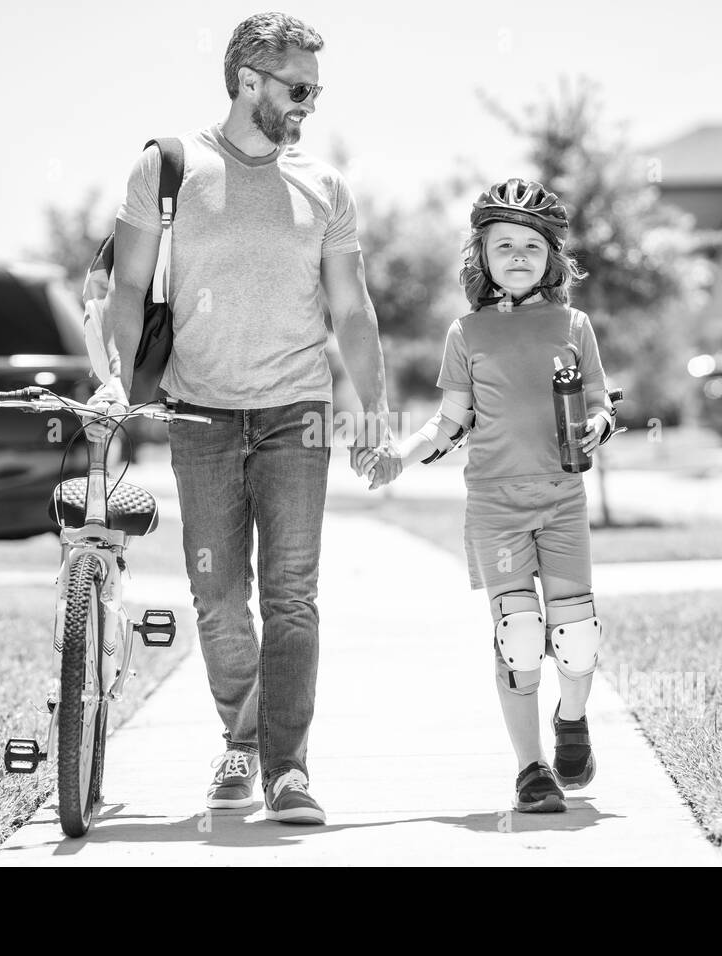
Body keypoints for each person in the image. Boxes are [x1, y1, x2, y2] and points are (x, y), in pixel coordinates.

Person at [83, 12, 400, 825]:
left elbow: (353, 311)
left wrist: (375, 409)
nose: (309, 106)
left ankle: (286, 769)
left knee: (292, 596)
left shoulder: (323, 186)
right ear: (248, 79)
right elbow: (126, 289)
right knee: (219, 595)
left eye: (316, 91)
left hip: (297, 412)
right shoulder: (167, 170)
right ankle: (242, 736)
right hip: (200, 415)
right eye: (299, 89)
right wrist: (114, 385)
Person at [361, 178, 617, 812]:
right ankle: (531, 770)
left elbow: (599, 406)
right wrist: (400, 455)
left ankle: (573, 718)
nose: (520, 256)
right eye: (505, 245)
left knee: (576, 637)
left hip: (561, 498)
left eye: (533, 245)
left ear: (554, 257)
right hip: (497, 506)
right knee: (521, 635)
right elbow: (450, 422)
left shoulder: (575, 325)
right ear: (482, 257)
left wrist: (598, 425)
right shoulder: (467, 334)